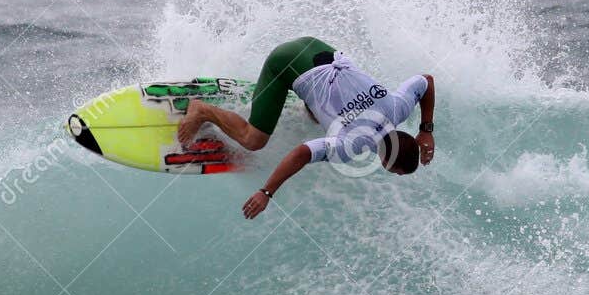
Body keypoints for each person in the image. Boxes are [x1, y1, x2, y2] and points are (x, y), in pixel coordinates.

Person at [174, 36, 435, 219]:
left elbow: (425, 81)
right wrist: (266, 192)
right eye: (396, 172)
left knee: (322, 118)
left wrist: (425, 130)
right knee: (254, 140)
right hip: (284, 62)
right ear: (388, 163)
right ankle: (202, 111)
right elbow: (301, 153)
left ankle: (303, 100)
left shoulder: (397, 108)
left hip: (315, 47)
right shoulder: (351, 145)